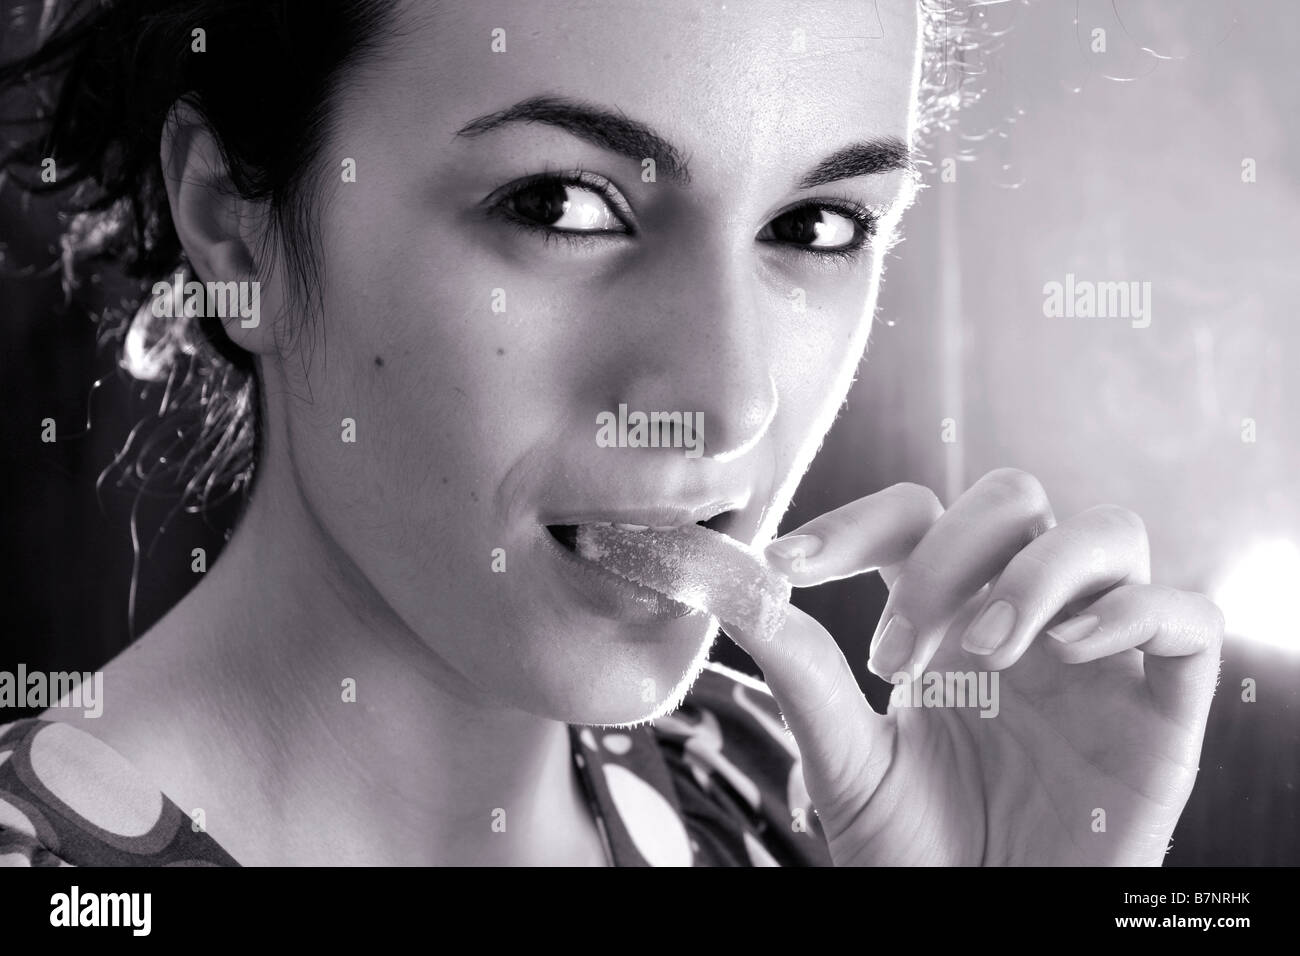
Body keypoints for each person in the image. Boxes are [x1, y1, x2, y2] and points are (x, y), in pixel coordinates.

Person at [0, 0, 1224, 867]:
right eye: (563, 204)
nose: (732, 402)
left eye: (819, 226)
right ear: (232, 224)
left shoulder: (792, 795)